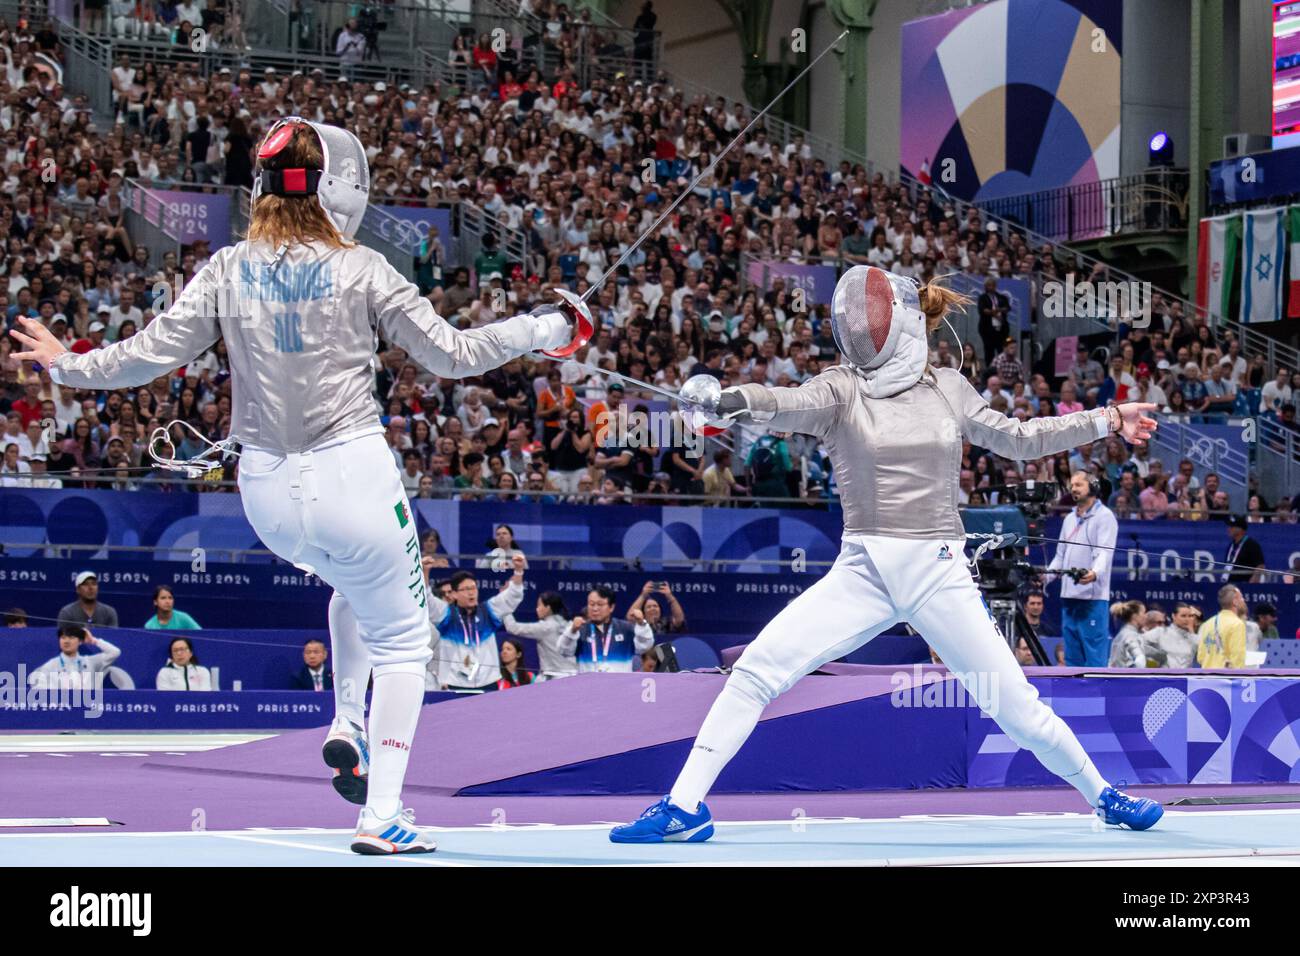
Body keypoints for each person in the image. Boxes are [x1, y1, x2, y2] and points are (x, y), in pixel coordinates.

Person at [11, 119, 582, 856]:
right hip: (352, 478)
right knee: (406, 640)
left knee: (352, 586)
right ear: (341, 190)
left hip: (269, 499)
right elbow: (456, 355)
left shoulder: (225, 267)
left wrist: (65, 363)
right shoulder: (363, 267)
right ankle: (382, 816)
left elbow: (146, 356)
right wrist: (545, 328)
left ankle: (346, 721)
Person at [611, 266, 1163, 844]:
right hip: (864, 572)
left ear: (899, 322)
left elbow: (1020, 439)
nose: (858, 330)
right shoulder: (840, 388)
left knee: (1016, 708)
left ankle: (1104, 796)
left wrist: (1106, 419)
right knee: (755, 671)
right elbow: (782, 401)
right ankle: (684, 805)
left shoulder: (948, 388)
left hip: (938, 572)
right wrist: (727, 401)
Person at [1044, 473, 1118, 667]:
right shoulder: (1069, 518)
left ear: (1093, 486)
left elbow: (1105, 552)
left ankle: (1097, 696)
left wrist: (1095, 573)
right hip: (1069, 598)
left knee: (1094, 657)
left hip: (1092, 599)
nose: (1074, 489)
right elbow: (1060, 555)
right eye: (1072, 485)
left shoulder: (1105, 517)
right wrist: (1045, 577)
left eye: (1078, 484)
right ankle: (1073, 697)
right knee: (1072, 659)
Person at [428, 557, 528, 690]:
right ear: (455, 594)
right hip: (456, 683)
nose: (471, 592)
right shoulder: (447, 615)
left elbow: (513, 596)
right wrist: (425, 571)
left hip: (488, 683)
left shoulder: (489, 611)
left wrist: (519, 571)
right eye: (466, 589)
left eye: (473, 588)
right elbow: (427, 601)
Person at [559, 587, 655, 672]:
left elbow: (645, 646)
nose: (595, 609)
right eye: (591, 604)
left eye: (600, 604)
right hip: (588, 688)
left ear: (611, 607)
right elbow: (563, 650)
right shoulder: (580, 629)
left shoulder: (625, 628)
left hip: (619, 688)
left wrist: (642, 624)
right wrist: (572, 631)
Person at [503, 591, 576, 680]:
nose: (537, 608)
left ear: (548, 608)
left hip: (553, 678)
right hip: (573, 676)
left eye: (539, 605)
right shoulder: (569, 624)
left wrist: (504, 603)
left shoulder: (545, 627)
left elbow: (512, 627)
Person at [28, 624, 122, 691]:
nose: (66, 641)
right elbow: (34, 682)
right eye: (63, 637)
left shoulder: (90, 662)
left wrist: (93, 641)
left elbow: (115, 652)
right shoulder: (52, 664)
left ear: (80, 641)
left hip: (87, 710)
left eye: (71, 637)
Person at [1197, 585, 1247, 669]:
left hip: (1206, 678)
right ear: (1235, 602)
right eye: (1241, 597)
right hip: (1225, 678)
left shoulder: (1207, 624)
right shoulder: (1237, 624)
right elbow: (1237, 659)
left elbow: (1200, 657)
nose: (1244, 600)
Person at [56, 571, 120, 630]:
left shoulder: (109, 612)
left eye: (94, 584)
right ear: (78, 590)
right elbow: (62, 638)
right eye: (85, 584)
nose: (91, 587)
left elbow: (113, 638)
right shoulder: (67, 612)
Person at [1223, 515, 1266, 583]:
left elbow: (1260, 566)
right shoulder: (1231, 546)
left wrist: (1250, 585)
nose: (1229, 529)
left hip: (1244, 585)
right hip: (1230, 585)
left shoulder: (1252, 545)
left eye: (1232, 526)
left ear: (1240, 529)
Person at [1107, 600, 1147, 668]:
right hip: (1126, 677)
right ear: (1135, 616)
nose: (1146, 616)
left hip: (1116, 676)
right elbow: (1140, 660)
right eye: (1144, 613)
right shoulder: (1131, 635)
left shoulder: (1122, 634)